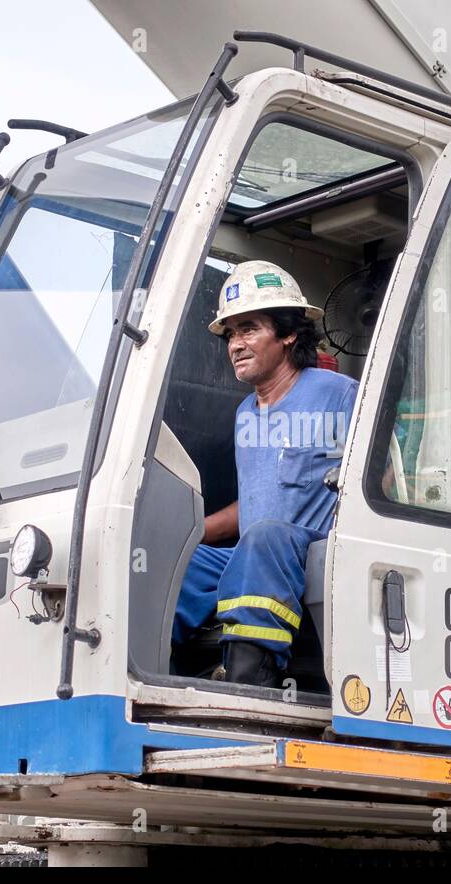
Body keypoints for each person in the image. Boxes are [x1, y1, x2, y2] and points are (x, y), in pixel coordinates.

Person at [172, 260, 359, 687]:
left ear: (289, 333)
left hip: (311, 556)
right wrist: (184, 536)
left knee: (267, 538)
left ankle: (250, 679)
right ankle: (164, 669)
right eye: (231, 333)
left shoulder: (335, 395)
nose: (235, 344)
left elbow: (378, 483)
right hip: (256, 558)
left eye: (249, 328)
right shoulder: (245, 414)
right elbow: (255, 502)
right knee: (179, 561)